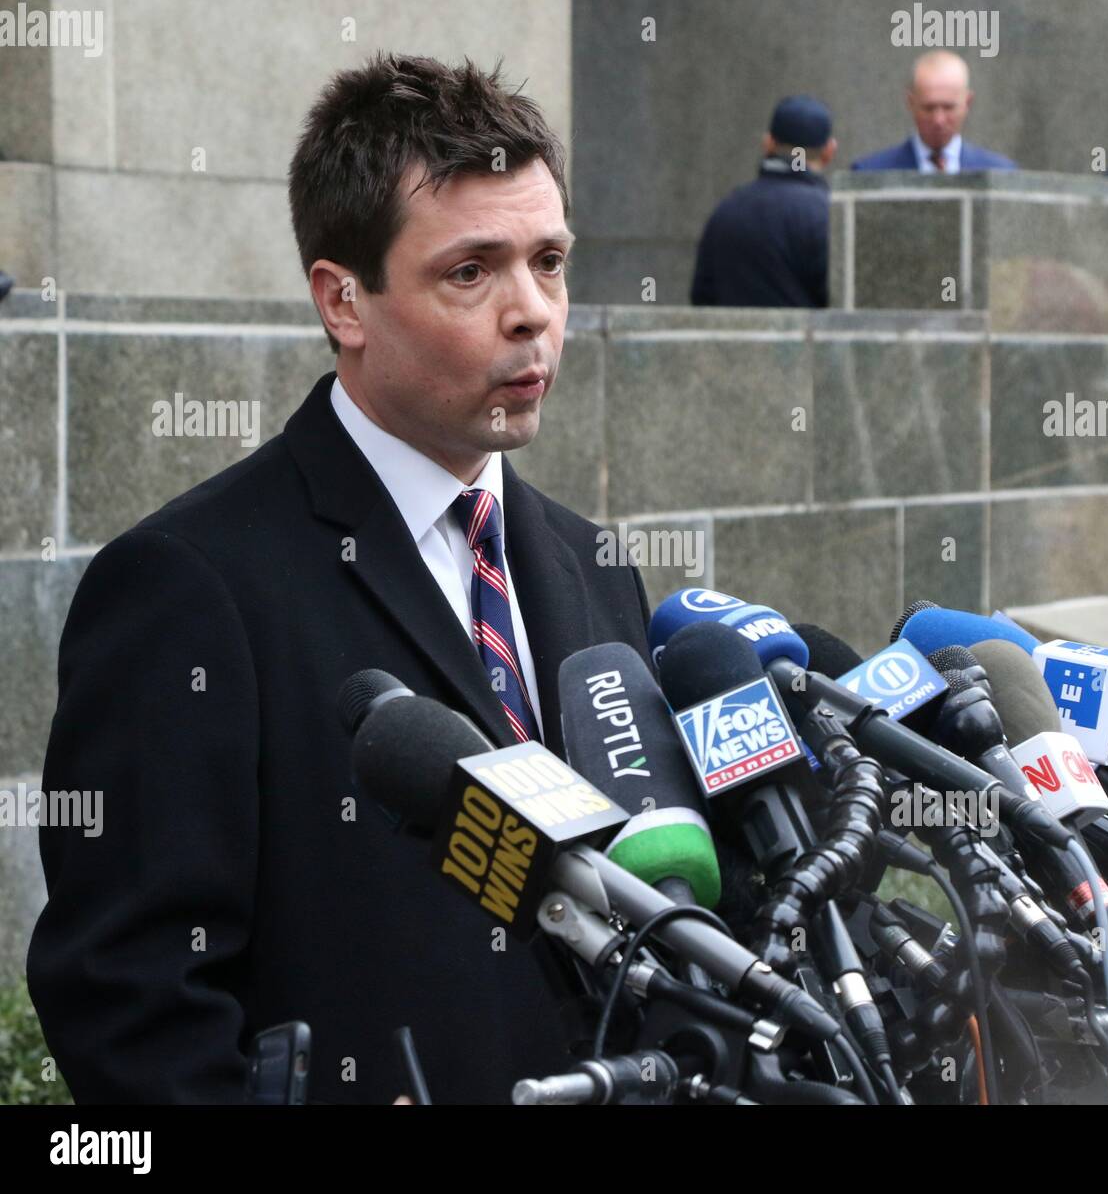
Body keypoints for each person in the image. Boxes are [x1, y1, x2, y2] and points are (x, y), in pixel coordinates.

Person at [26, 54, 654, 1104]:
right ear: (343, 301)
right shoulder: (189, 588)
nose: (532, 312)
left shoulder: (596, 567)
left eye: (549, 261)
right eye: (472, 271)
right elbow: (129, 1006)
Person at [690, 95, 836, 307]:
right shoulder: (827, 214)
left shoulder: (727, 209)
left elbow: (702, 296)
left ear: (768, 144)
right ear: (829, 151)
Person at [850, 50, 1015, 173]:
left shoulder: (1000, 174)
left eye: (948, 107)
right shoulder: (870, 173)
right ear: (911, 102)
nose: (938, 120)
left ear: (967, 103)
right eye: (929, 108)